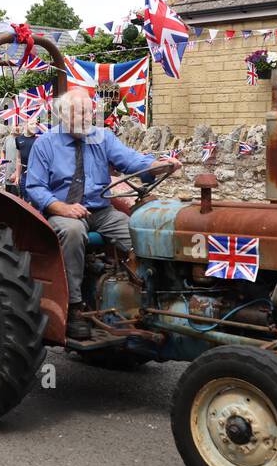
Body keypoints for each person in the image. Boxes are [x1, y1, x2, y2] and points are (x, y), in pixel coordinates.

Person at [25, 89, 180, 340]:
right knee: (72, 232)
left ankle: (153, 296)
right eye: (79, 111)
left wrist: (156, 166)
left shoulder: (102, 138)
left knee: (137, 230)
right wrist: (61, 207)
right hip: (63, 211)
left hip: (101, 210)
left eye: (89, 111)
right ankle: (74, 307)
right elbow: (34, 187)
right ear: (63, 114)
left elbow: (131, 161)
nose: (86, 117)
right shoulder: (45, 144)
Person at [3, 117, 41, 197]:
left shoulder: (39, 140)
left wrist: (32, 168)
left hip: (35, 174)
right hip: (23, 175)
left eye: (36, 124)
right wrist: (17, 176)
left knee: (35, 198)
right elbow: (18, 158)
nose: (34, 126)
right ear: (25, 125)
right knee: (23, 197)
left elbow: (41, 158)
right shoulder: (18, 139)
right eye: (31, 124)